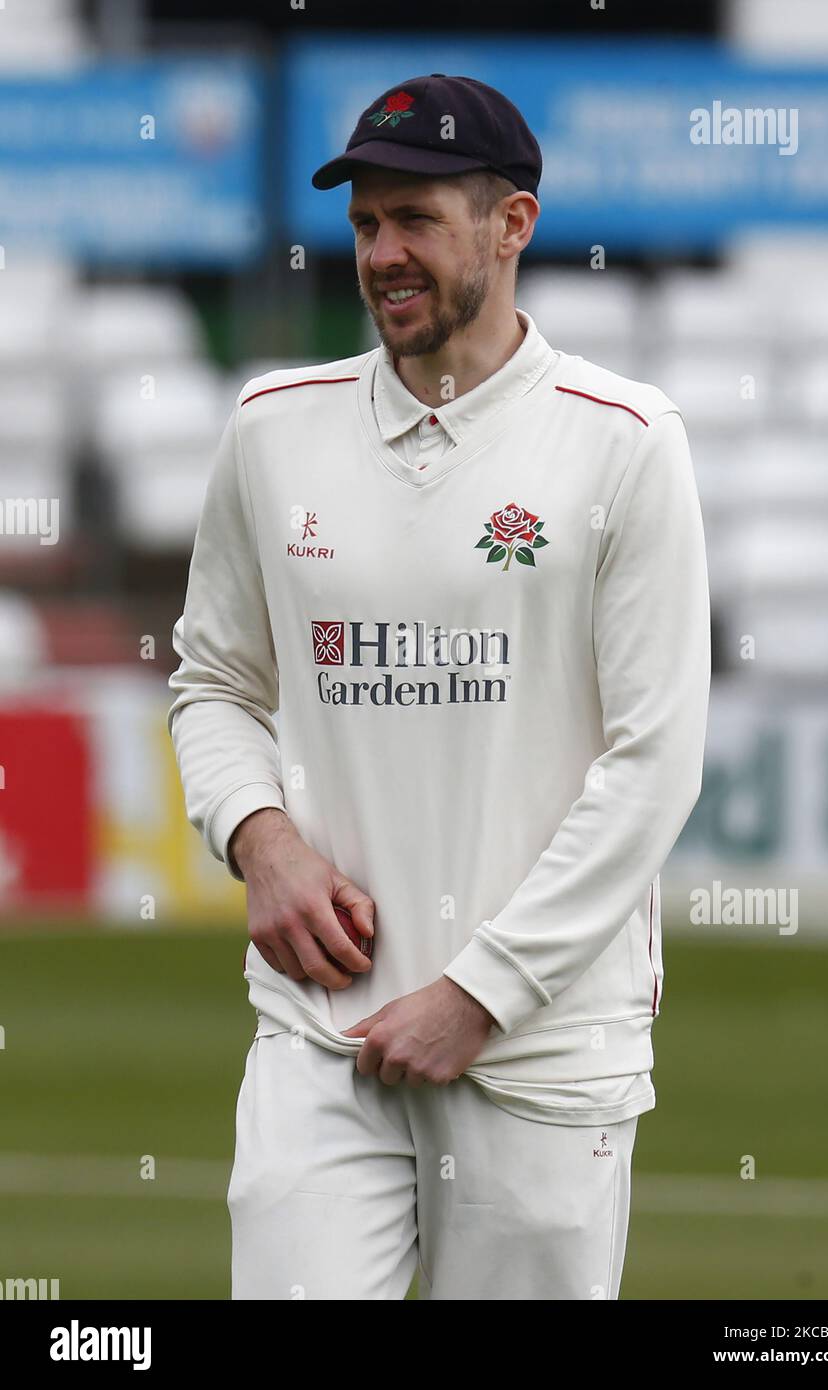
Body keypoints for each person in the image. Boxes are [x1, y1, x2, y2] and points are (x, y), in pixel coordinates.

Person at [167, 73, 711, 1300]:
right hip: (324, 1031)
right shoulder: (270, 426)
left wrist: (480, 992)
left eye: (414, 218)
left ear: (512, 224)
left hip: (542, 1051)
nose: (382, 255)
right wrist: (261, 841)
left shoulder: (622, 441)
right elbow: (213, 681)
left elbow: (653, 763)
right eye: (365, 225)